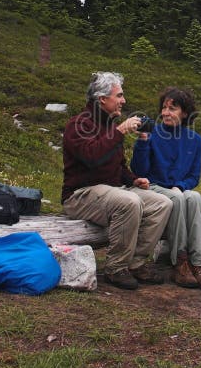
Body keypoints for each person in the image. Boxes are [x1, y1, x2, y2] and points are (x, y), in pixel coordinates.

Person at [62, 72, 172, 290]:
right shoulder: (78, 124)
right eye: (119, 95)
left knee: (162, 203)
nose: (124, 100)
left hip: (111, 191)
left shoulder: (110, 125)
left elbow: (118, 166)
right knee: (129, 201)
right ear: (102, 99)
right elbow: (92, 157)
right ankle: (116, 268)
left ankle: (136, 263)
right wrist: (120, 131)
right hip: (80, 195)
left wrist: (134, 179)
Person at [130, 87, 201, 288]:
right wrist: (143, 141)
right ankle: (180, 261)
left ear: (185, 113)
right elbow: (139, 170)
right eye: (164, 108)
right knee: (177, 198)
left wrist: (180, 185)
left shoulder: (194, 140)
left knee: (194, 197)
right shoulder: (153, 133)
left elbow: (194, 176)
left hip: (177, 190)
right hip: (152, 188)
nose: (166, 113)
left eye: (172, 108)